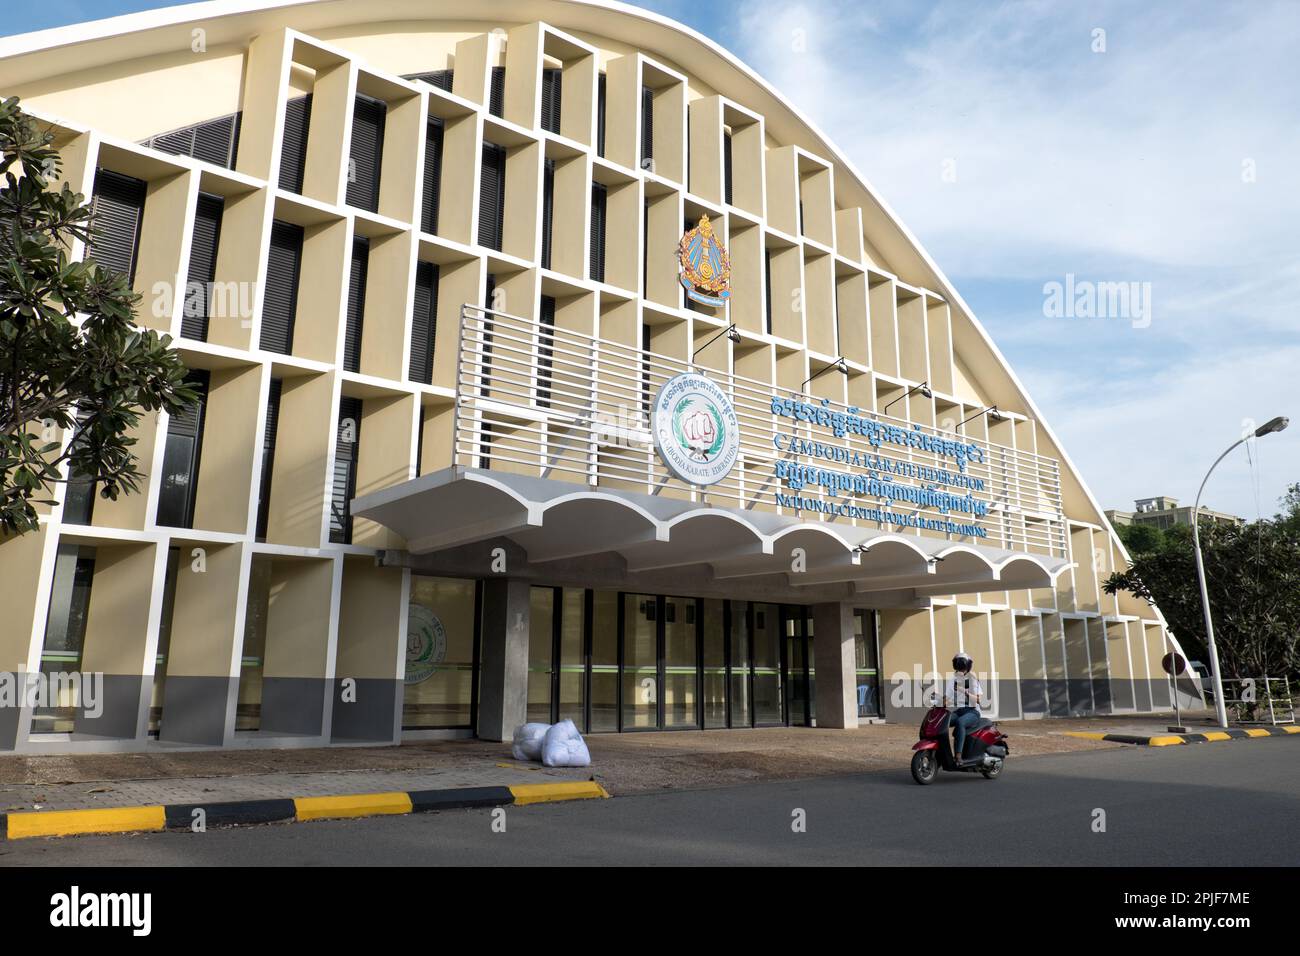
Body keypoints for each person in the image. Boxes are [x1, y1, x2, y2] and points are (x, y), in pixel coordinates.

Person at [944, 652, 983, 763]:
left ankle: (958, 756)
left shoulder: (972, 679)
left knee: (960, 722)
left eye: (963, 665)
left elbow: (978, 700)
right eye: (959, 664)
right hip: (960, 710)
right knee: (943, 721)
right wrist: (936, 702)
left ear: (967, 666)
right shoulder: (953, 679)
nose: (961, 668)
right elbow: (947, 698)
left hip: (973, 711)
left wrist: (965, 692)